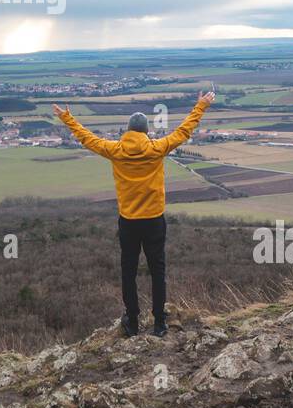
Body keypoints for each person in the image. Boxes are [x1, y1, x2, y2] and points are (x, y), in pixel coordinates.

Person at [52, 90, 215, 337]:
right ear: (146, 131)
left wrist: (68, 119)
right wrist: (200, 106)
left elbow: (87, 138)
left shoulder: (114, 150)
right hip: (154, 220)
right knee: (157, 271)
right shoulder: (157, 148)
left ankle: (133, 322)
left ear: (127, 130)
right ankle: (160, 323)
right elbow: (184, 131)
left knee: (128, 271)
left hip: (128, 221)